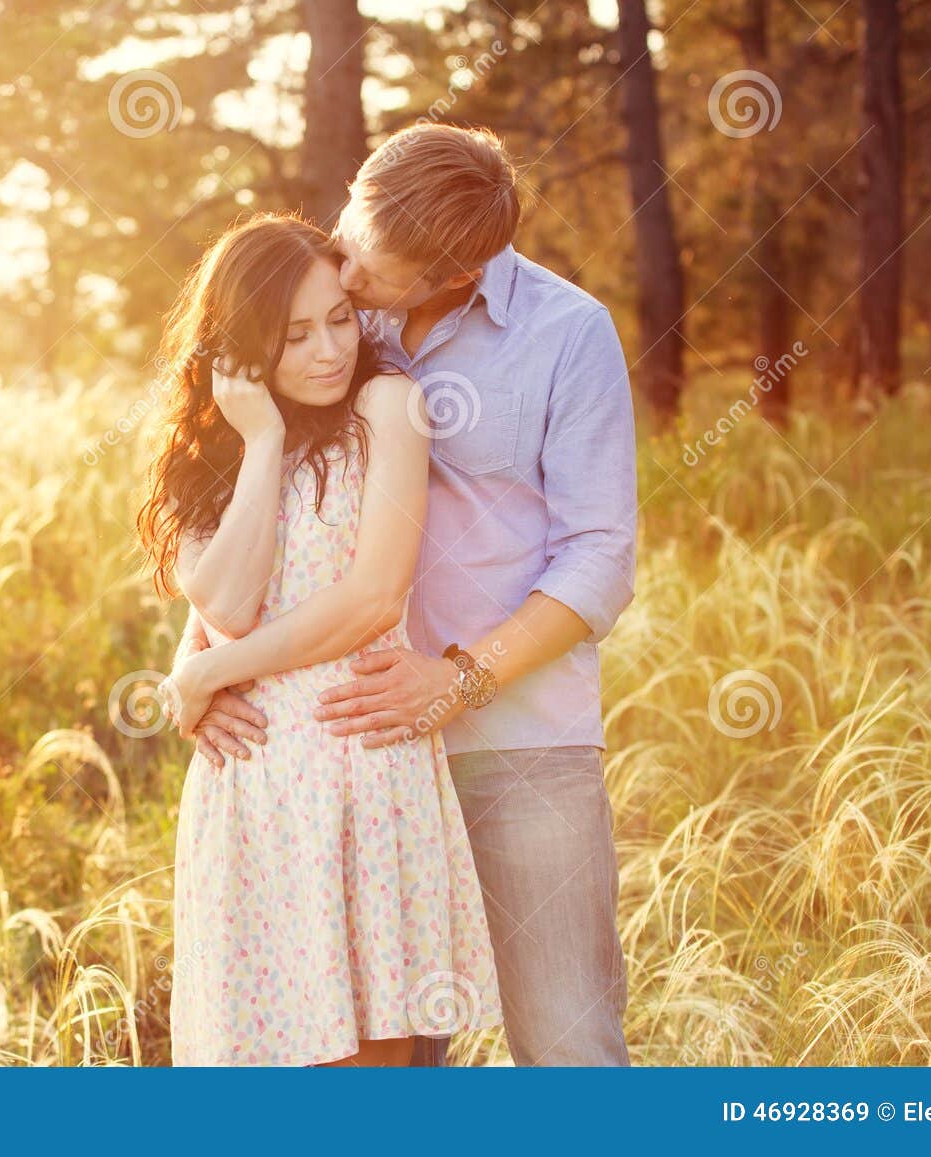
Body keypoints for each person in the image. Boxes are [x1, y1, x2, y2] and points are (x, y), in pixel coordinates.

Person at [171, 124, 639, 1066]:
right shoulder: (338, 317)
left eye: (370, 276)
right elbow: (279, 516)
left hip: (511, 739)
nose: (343, 274)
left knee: (565, 1039)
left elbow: (599, 559)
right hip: (351, 751)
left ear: (454, 273)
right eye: (347, 232)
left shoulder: (567, 334)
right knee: (394, 1054)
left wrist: (458, 680)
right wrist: (198, 660)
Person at [137, 212, 502, 1066]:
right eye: (293, 335)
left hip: (360, 768)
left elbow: (374, 598)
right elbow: (227, 601)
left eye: (340, 318)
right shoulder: (205, 456)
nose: (330, 350)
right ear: (239, 352)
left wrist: (207, 673)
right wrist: (261, 441)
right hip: (254, 795)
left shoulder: (387, 405)